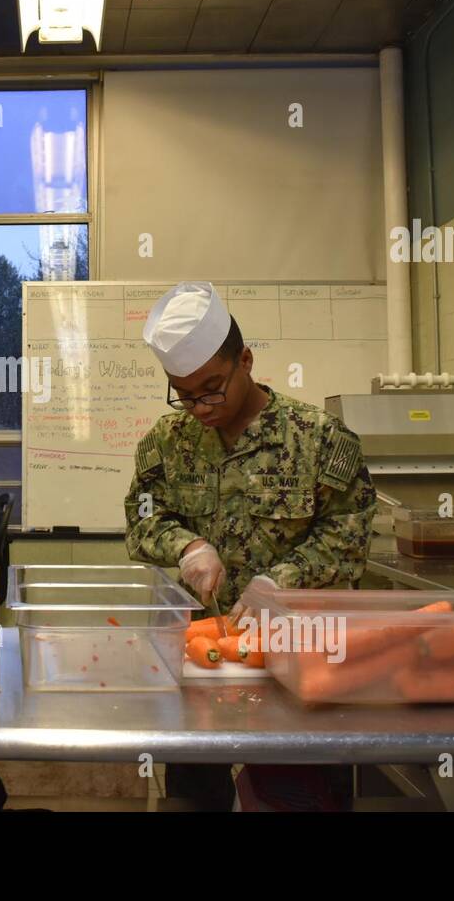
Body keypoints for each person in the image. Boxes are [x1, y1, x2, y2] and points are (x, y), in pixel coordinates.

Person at [124, 281, 376, 809]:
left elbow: (349, 535)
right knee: (196, 797)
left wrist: (280, 583)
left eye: (212, 387)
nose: (200, 406)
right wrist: (188, 546)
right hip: (205, 656)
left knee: (298, 796)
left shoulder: (318, 438)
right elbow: (144, 515)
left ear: (246, 361)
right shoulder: (168, 441)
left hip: (301, 658)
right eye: (184, 392)